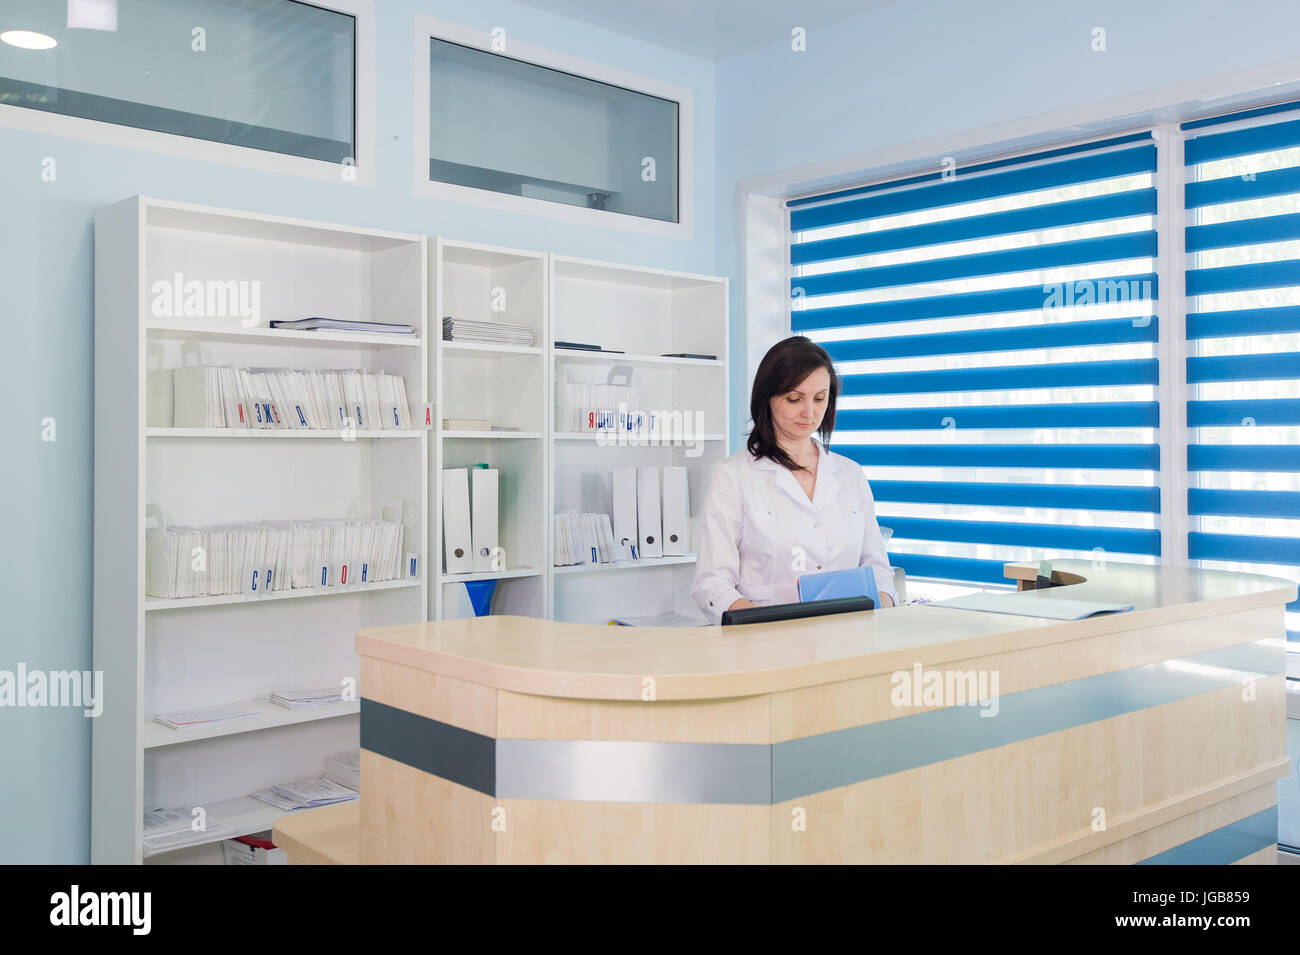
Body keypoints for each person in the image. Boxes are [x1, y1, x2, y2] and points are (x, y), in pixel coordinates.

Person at [691, 335, 898, 625]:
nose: (809, 412)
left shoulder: (850, 474)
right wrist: (767, 626)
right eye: (794, 398)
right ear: (768, 398)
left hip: (849, 640)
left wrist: (881, 606)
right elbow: (711, 584)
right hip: (767, 646)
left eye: (819, 398)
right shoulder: (733, 476)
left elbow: (878, 567)